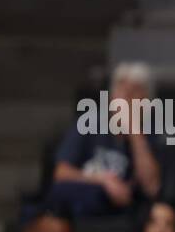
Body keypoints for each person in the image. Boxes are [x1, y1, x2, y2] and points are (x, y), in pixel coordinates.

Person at [45, 63, 163, 218]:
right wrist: (102, 181)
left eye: (133, 92)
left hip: (127, 213)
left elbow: (151, 188)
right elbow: (61, 174)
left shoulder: (152, 132)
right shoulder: (90, 123)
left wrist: (135, 132)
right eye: (122, 90)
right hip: (82, 207)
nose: (125, 99)